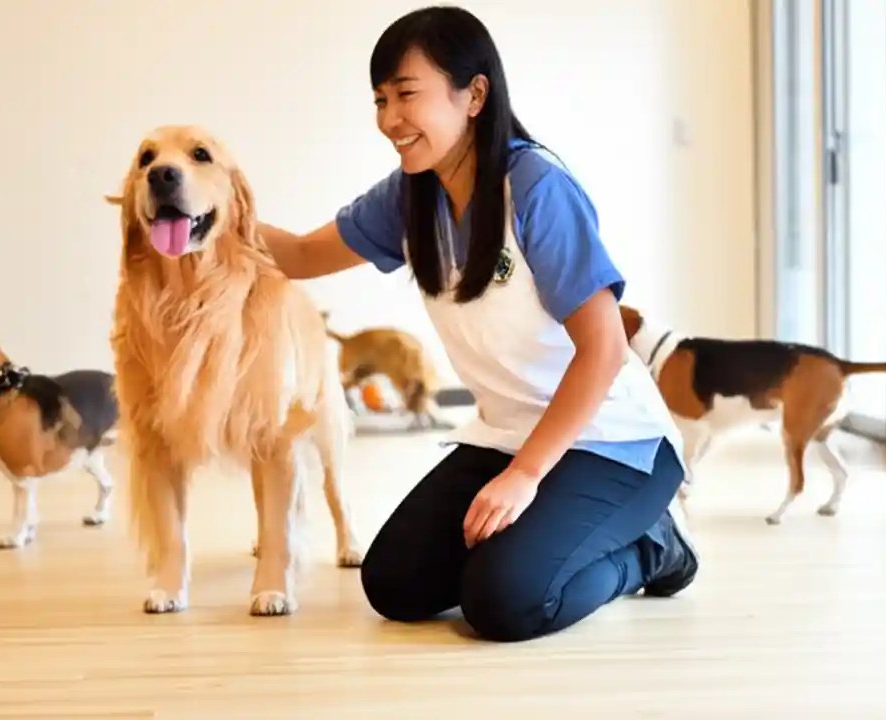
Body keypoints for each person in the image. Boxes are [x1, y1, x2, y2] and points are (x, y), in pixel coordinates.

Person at [259, 5, 698, 643]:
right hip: (506, 434)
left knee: (505, 603)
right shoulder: (409, 195)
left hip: (612, 442)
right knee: (394, 585)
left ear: (475, 95)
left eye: (406, 95)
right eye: (380, 100)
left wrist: (524, 478)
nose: (389, 120)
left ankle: (651, 550)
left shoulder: (537, 188)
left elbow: (602, 350)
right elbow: (299, 255)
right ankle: (542, 543)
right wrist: (202, 210)